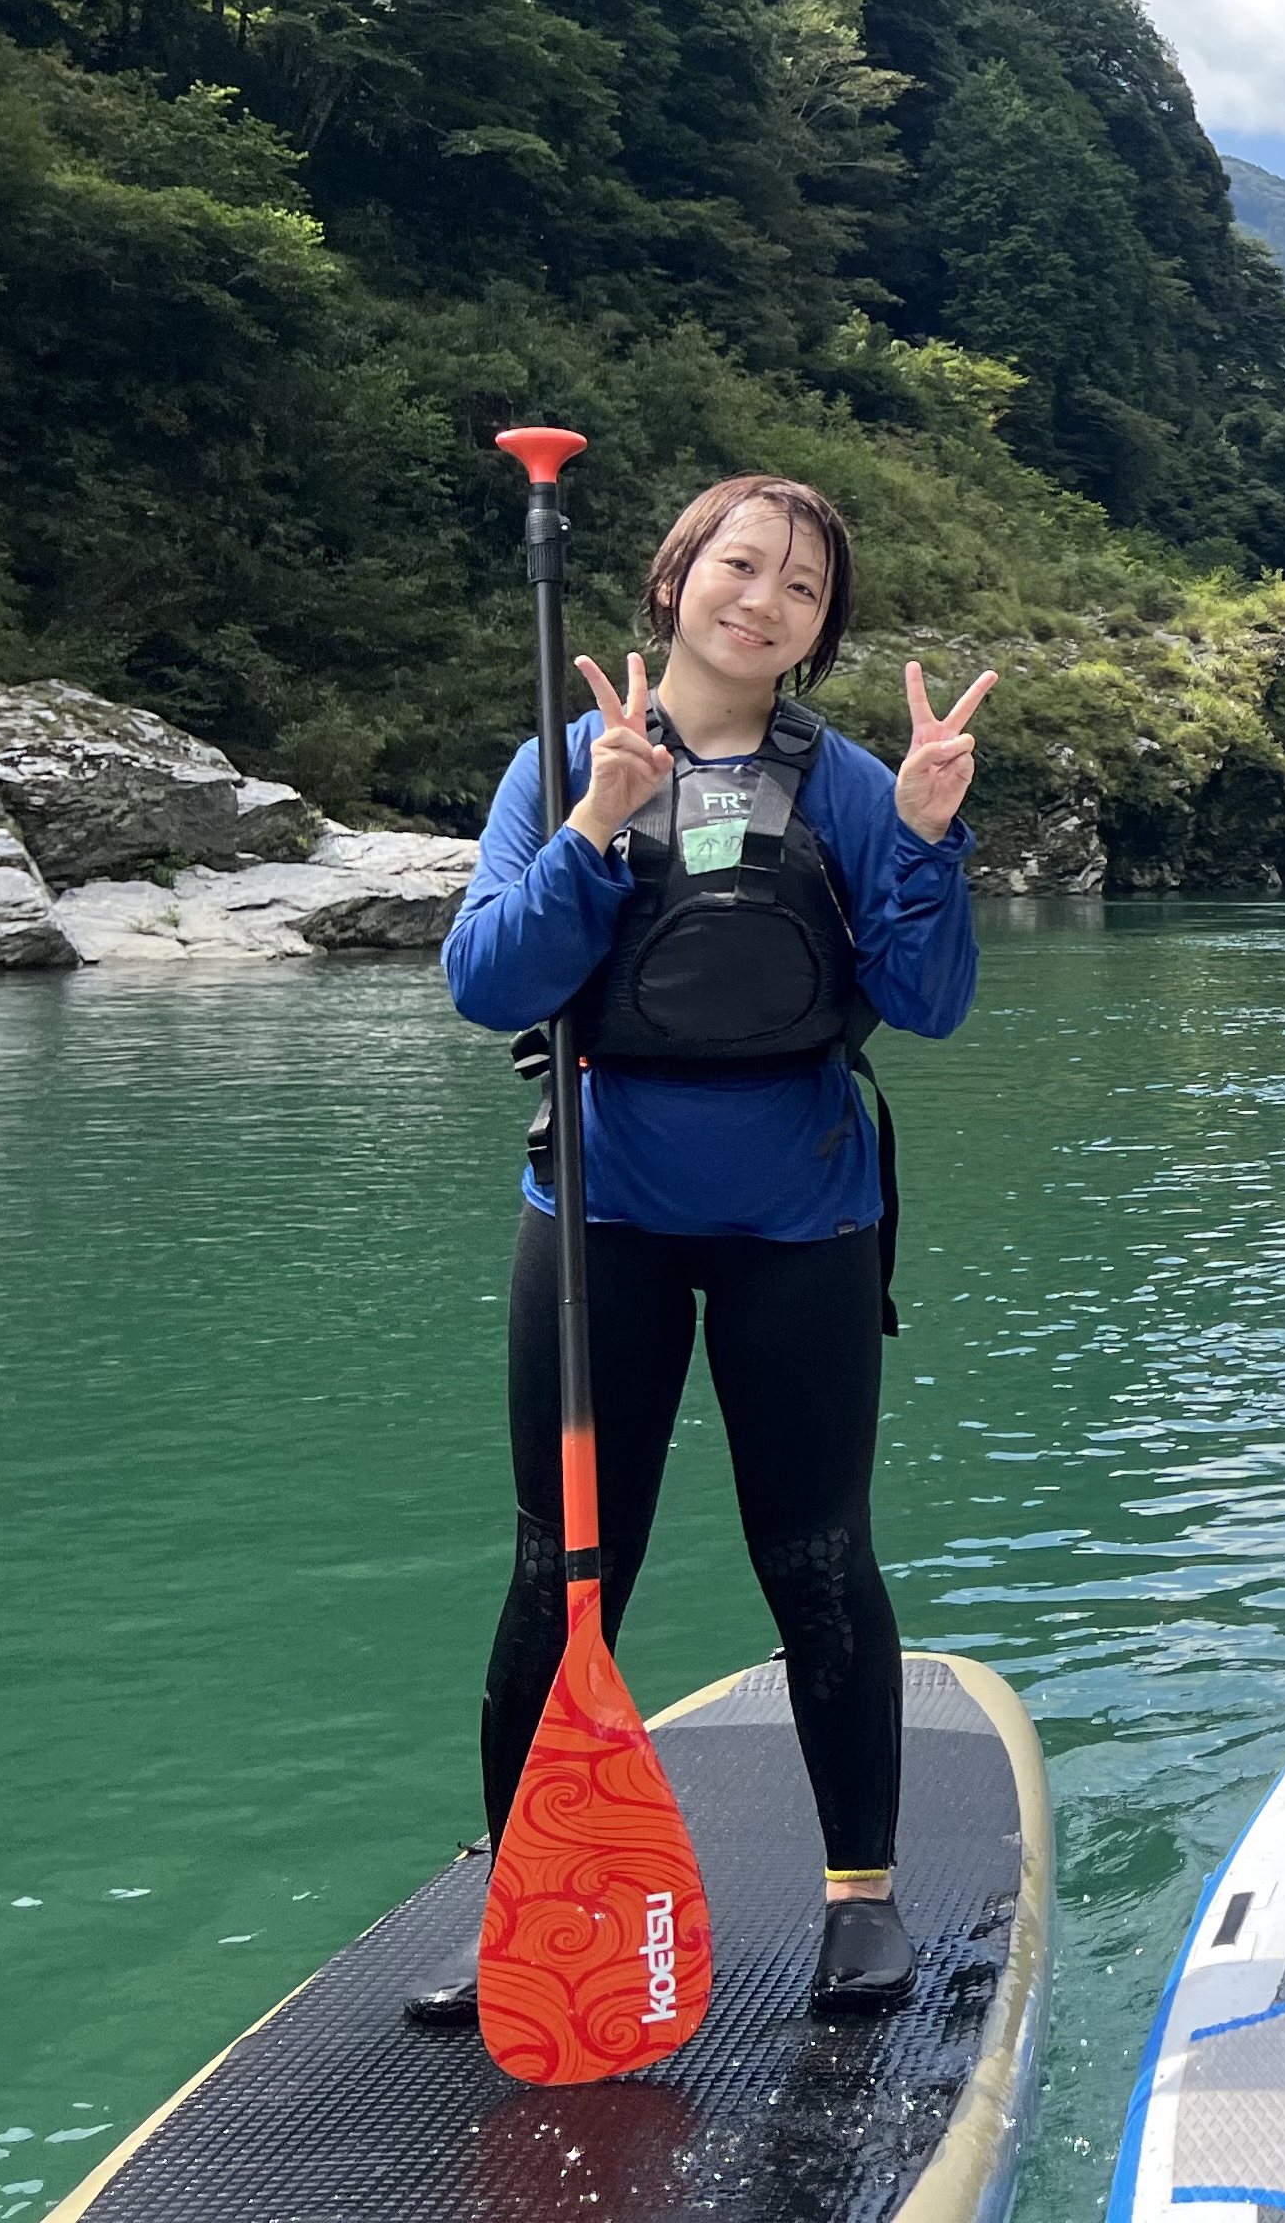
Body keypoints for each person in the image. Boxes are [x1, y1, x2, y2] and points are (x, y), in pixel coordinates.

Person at [419, 473, 993, 2023]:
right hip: (600, 1217)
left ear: (821, 630)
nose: (765, 599)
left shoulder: (857, 784)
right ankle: (518, 1887)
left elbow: (932, 1003)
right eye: (741, 565)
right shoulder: (557, 764)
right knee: (564, 1569)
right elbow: (488, 979)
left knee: (815, 1558)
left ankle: (860, 1898)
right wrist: (598, 823)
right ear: (675, 578)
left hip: (799, 1214)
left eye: (802, 586)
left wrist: (929, 842)